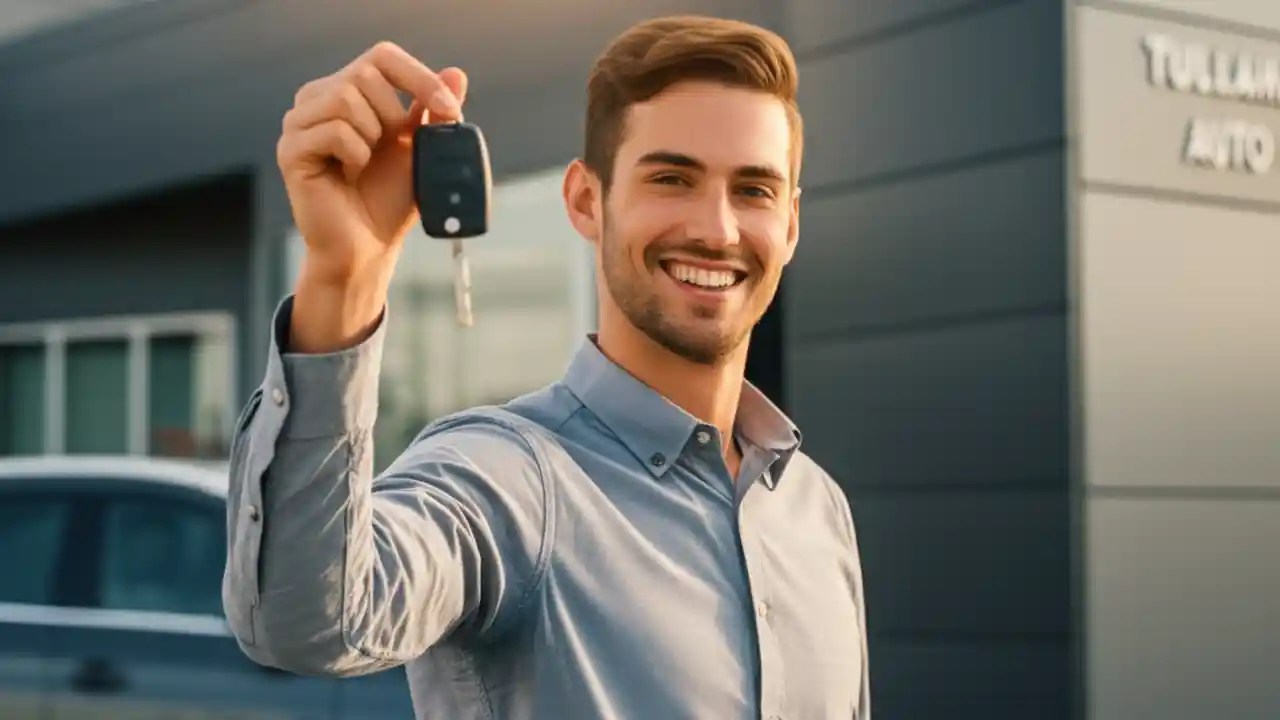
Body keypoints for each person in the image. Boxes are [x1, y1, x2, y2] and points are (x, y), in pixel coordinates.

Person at [222, 14, 870, 720]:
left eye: (754, 190)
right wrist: (344, 277)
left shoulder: (815, 508)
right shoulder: (506, 482)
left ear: (790, 225)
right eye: (672, 178)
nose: (717, 229)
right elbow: (313, 624)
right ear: (587, 201)